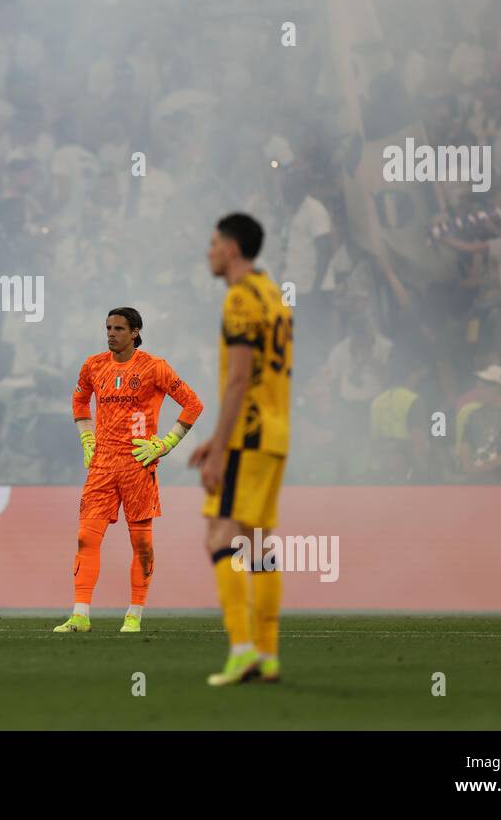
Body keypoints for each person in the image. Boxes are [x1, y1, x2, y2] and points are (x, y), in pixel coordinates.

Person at [188, 213, 291, 686]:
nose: (208, 251)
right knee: (257, 544)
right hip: (274, 432)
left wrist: (220, 451)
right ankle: (267, 655)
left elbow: (237, 379)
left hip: (247, 436)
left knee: (219, 534)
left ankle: (241, 650)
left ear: (231, 249)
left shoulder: (239, 298)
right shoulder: (272, 292)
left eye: (212, 243)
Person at [54, 306, 202, 635]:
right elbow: (79, 401)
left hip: (138, 464)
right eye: (108, 327)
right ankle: (80, 614)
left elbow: (193, 403)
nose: (111, 333)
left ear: (135, 332)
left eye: (119, 328)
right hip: (102, 464)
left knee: (142, 545)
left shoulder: (154, 368)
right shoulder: (93, 365)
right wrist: (87, 438)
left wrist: (166, 444)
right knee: (85, 539)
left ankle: (134, 614)